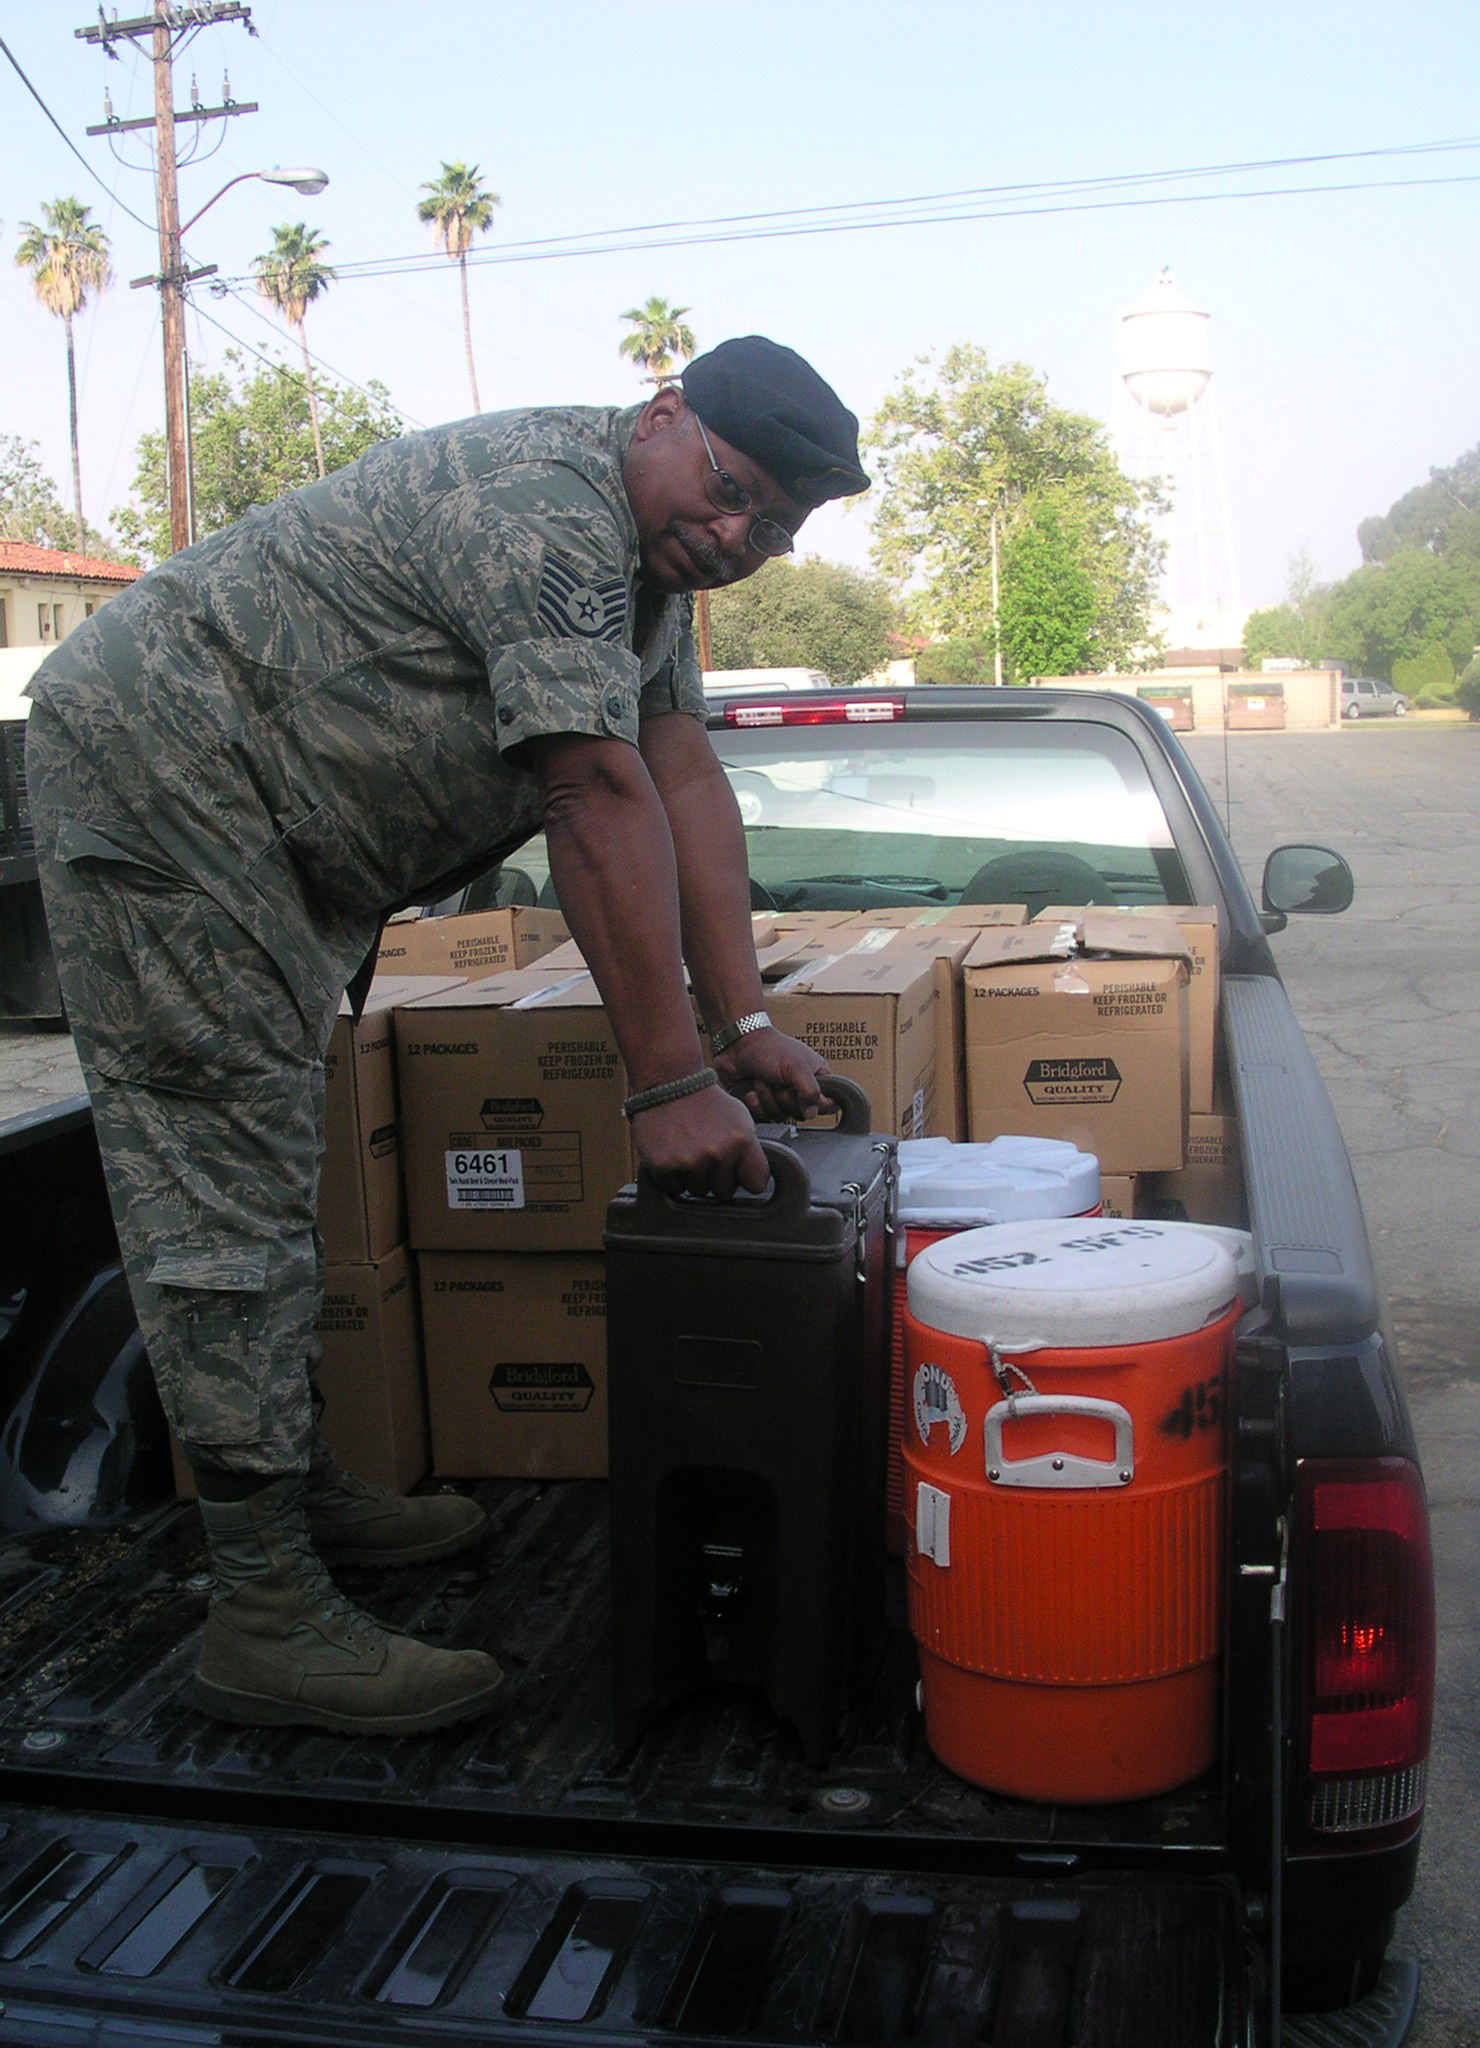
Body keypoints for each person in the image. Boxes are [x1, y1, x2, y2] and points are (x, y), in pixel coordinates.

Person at [25, 334, 869, 1737]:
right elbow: (591, 791)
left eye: (775, 527)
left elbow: (680, 777)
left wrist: (747, 1026)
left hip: (274, 831)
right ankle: (264, 1609)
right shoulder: (545, 512)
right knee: (219, 1159)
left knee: (268, 1146)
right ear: (661, 415)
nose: (735, 536)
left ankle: (290, 1484)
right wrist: (664, 1081)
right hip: (164, 773)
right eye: (728, 491)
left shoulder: (643, 581)